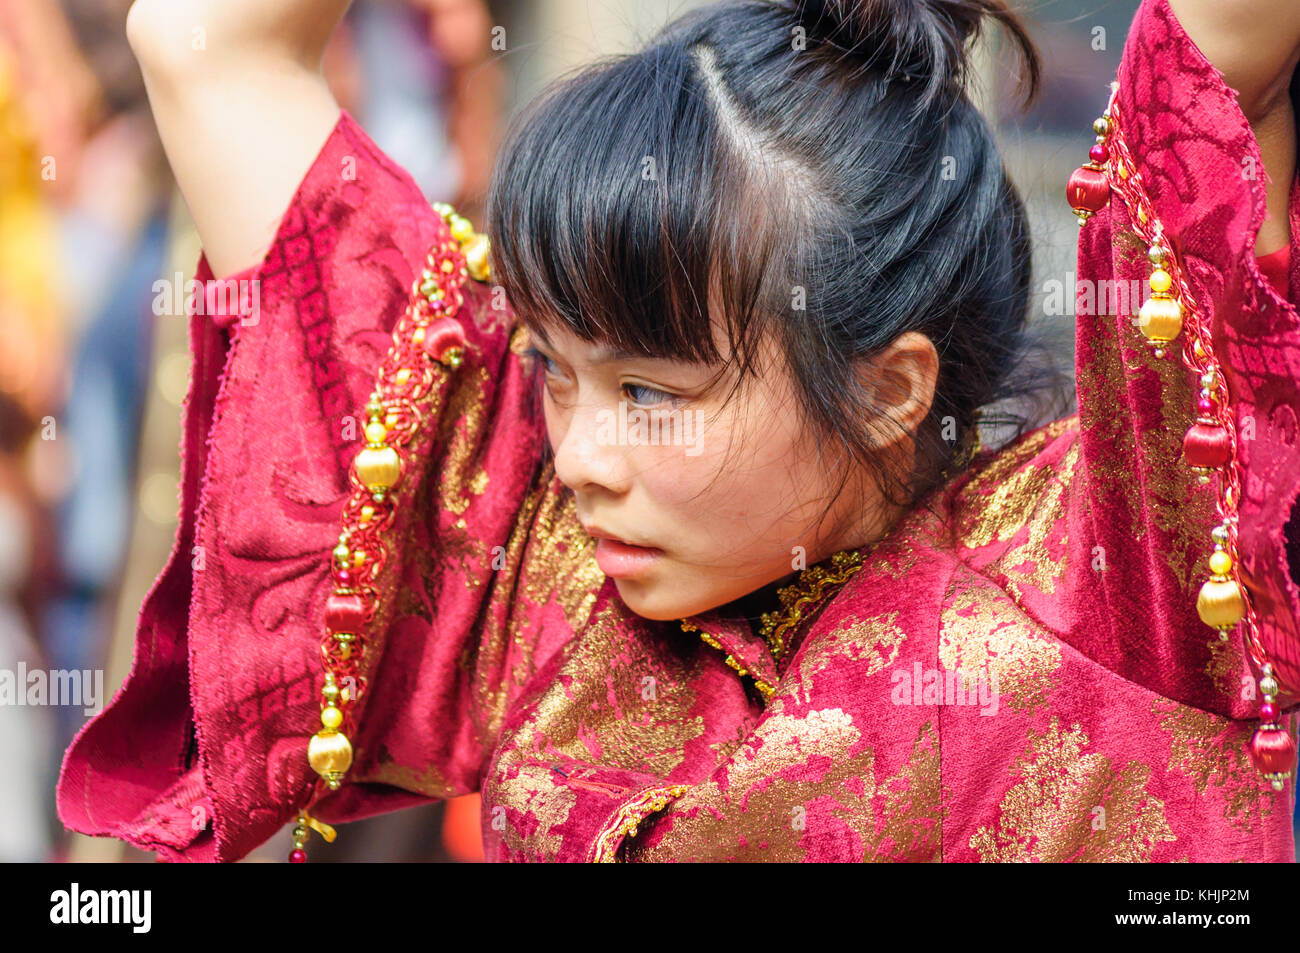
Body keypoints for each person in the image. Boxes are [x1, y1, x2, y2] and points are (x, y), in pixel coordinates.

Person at [58, 0, 1299, 862]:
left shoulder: (1112, 571)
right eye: (553, 368)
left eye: (654, 391)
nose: (583, 455)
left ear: (890, 386)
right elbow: (203, 42)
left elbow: (1216, 76)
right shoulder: (529, 557)